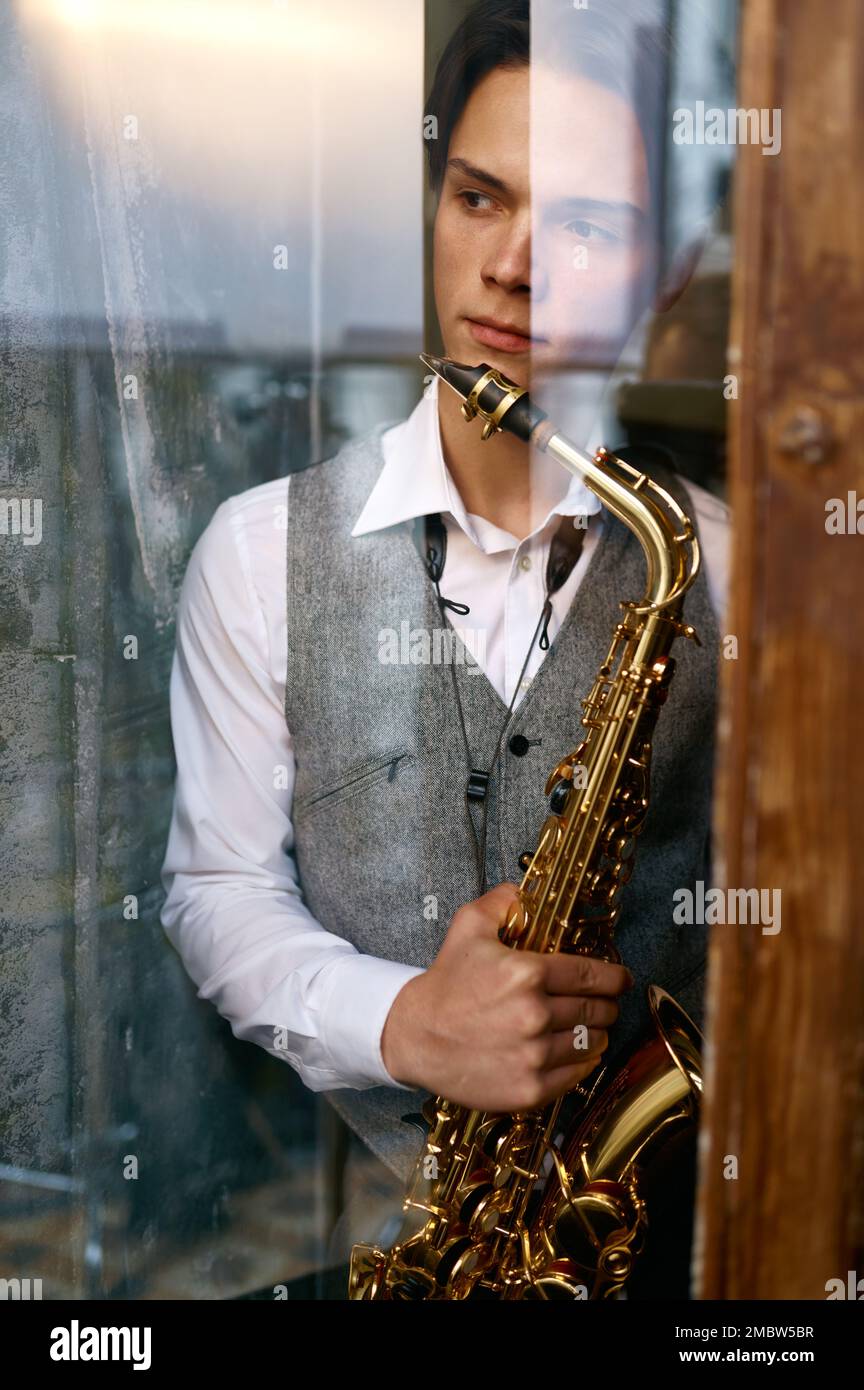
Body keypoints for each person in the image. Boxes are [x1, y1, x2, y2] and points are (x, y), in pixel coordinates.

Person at [160, 0, 729, 1296]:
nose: (513, 266)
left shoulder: (737, 568)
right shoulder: (255, 557)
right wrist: (407, 1019)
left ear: (672, 272)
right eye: (480, 199)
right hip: (374, 1258)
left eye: (585, 223)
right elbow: (214, 894)